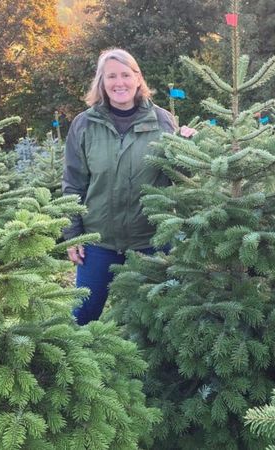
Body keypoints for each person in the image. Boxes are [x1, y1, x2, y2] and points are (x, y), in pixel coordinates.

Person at [62, 48, 176, 325]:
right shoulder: (84, 124)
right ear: (101, 82)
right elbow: (73, 182)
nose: (119, 82)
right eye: (111, 76)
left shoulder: (161, 121)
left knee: (155, 319)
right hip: (99, 242)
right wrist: (72, 234)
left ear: (138, 79)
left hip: (150, 241)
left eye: (126, 74)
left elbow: (180, 175)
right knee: (82, 316)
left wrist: (191, 146)